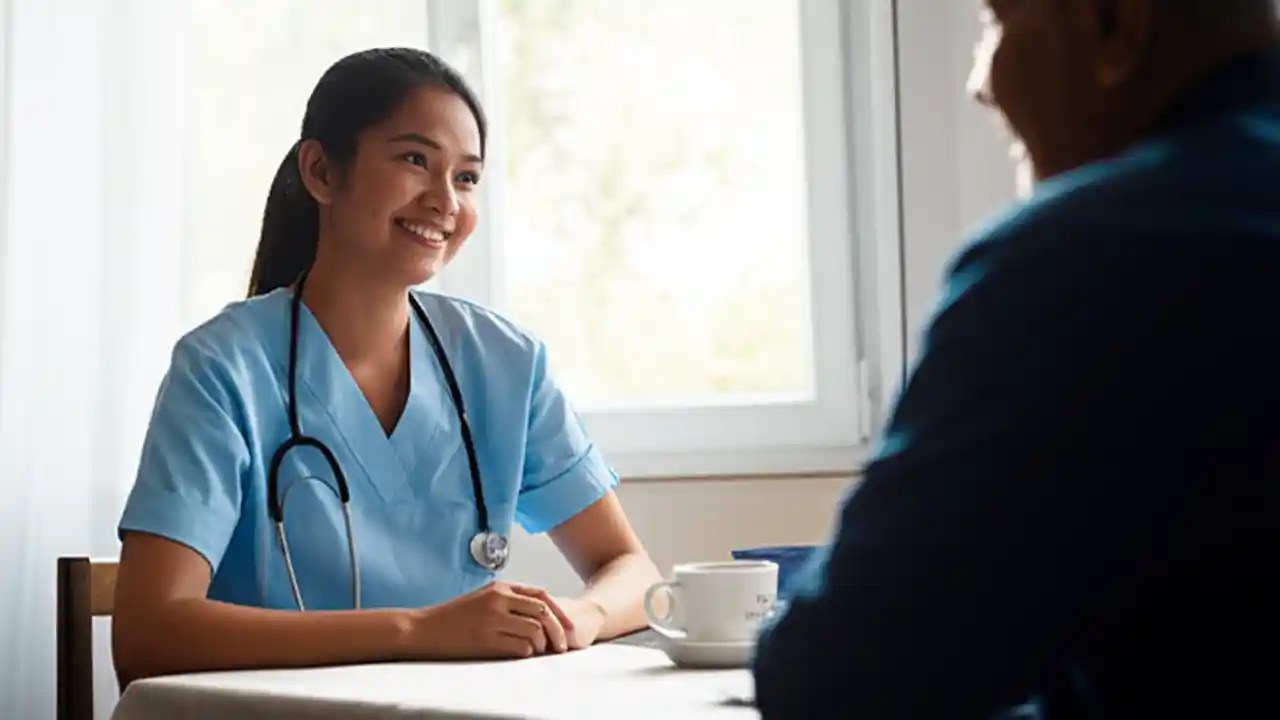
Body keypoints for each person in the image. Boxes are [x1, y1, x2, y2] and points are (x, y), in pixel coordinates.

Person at [752, 0, 1280, 716]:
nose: (981, 82)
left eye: (994, 24)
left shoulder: (1087, 256)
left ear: (1112, 28)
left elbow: (840, 680)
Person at [112, 48, 661, 685]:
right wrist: (419, 631)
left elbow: (631, 568)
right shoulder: (222, 368)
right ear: (320, 171)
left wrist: (581, 616)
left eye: (467, 178)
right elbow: (150, 632)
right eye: (414, 160)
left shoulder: (506, 363)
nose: (446, 201)